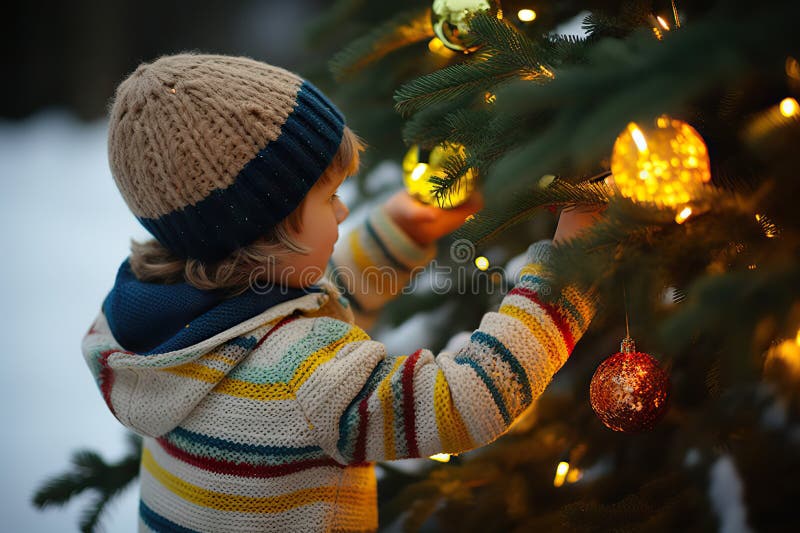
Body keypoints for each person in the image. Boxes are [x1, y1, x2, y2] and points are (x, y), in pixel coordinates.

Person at [82, 53, 601, 533]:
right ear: (265, 232)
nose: (343, 211)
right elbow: (466, 400)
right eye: (328, 198)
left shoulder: (168, 325)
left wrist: (402, 231)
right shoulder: (301, 374)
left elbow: (300, 300)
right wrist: (568, 270)